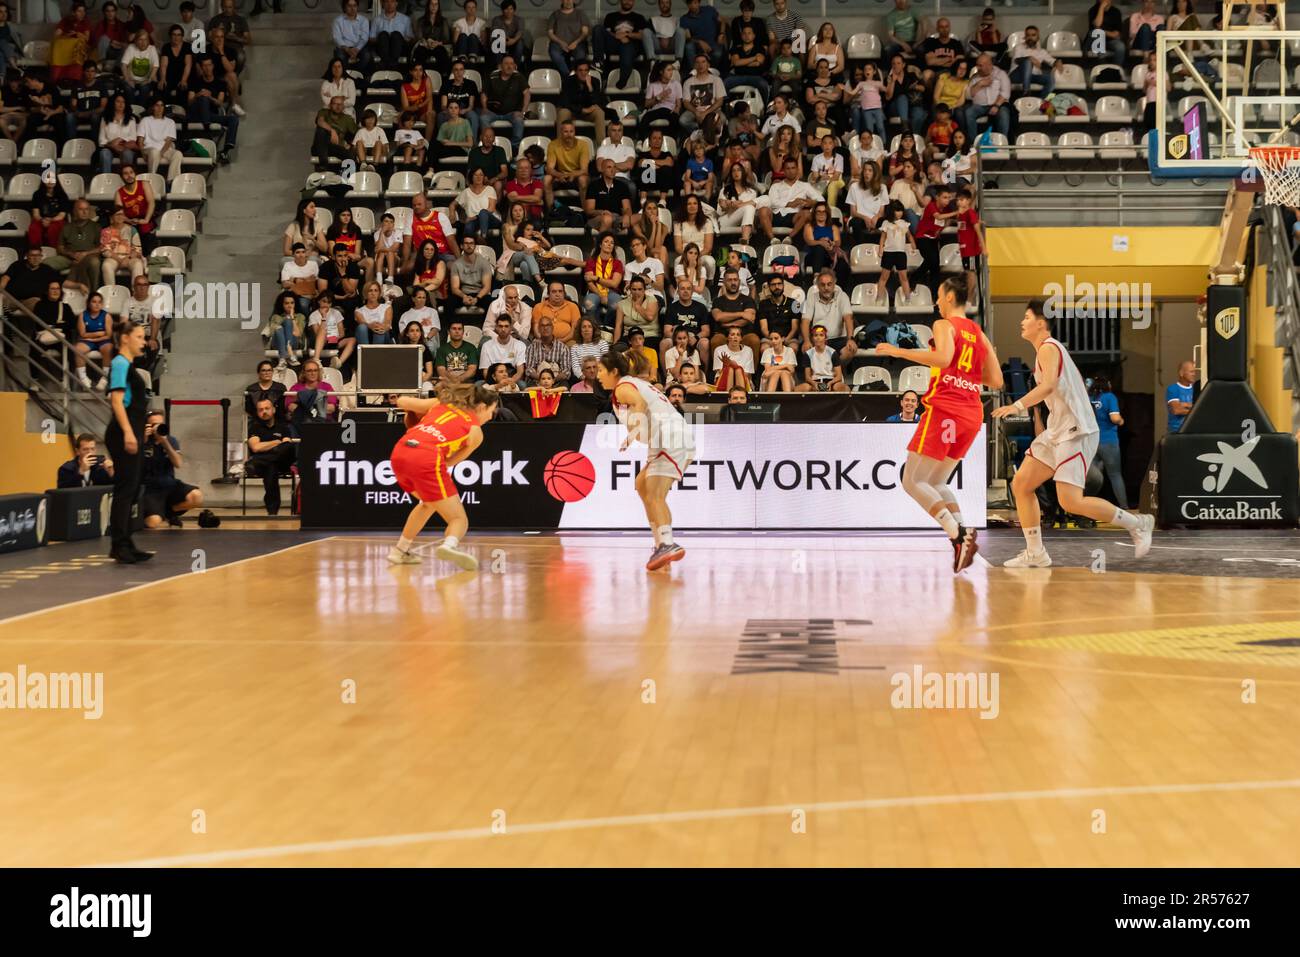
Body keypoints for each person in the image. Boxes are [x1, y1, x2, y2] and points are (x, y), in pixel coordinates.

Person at [991, 299, 1154, 567]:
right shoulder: (1043, 352)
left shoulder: (1049, 347)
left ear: (1041, 323)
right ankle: (1036, 553)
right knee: (1021, 484)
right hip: (1059, 429)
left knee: (1070, 502)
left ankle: (1138, 523)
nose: (1022, 321)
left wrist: (1016, 405)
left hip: (1076, 430)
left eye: (1027, 316)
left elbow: (1048, 386)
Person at [876, 275, 1003, 573]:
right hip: (972, 413)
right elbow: (996, 380)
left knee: (911, 480)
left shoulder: (944, 325)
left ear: (948, 297)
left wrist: (899, 351)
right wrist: (967, 376)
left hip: (946, 408)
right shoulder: (978, 332)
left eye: (937, 295)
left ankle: (956, 534)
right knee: (935, 482)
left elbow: (944, 358)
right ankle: (962, 533)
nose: (935, 301)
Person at [597, 349, 694, 570]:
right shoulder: (631, 383)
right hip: (667, 439)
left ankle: (667, 544)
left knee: (654, 493)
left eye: (602, 370)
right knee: (642, 485)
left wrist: (632, 431)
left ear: (614, 372)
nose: (598, 375)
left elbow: (639, 404)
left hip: (670, 438)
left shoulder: (623, 387)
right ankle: (661, 544)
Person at [386, 383, 499, 569]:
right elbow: (449, 463)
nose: (490, 417)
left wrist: (413, 414)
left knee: (428, 503)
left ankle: (400, 551)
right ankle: (449, 545)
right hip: (426, 458)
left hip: (400, 451)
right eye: (491, 411)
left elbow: (402, 401)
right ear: (481, 407)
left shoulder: (441, 404)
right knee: (458, 519)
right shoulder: (475, 432)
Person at [104, 322, 152, 563]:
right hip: (122, 433)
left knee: (131, 489)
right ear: (124, 338)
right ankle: (119, 545)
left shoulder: (129, 365)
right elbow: (116, 401)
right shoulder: (120, 363)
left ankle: (125, 542)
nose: (143, 342)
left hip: (131, 430)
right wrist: (128, 433)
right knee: (125, 490)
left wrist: (138, 429)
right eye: (139, 337)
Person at [140, 409, 203, 528]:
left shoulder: (170, 440)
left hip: (169, 484)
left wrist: (164, 442)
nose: (156, 428)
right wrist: (143, 441)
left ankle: (169, 513)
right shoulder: (140, 441)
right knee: (152, 523)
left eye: (159, 424)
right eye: (153, 425)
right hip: (149, 489)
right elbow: (133, 463)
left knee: (197, 497)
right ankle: (158, 513)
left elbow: (178, 463)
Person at [245, 397, 298, 515]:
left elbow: (286, 445)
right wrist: (276, 443)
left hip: (283, 462)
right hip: (270, 465)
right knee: (271, 468)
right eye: (260, 410)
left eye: (267, 408)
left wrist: (267, 447)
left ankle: (255, 462)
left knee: (288, 447)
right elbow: (255, 447)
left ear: (273, 410)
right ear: (257, 412)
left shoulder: (283, 427)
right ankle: (272, 511)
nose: (264, 412)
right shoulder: (254, 427)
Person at [1088, 376, 1128, 508]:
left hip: (1092, 442)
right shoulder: (1110, 397)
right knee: (1115, 475)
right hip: (1108, 441)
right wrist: (1122, 421)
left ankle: (1086, 507)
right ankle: (1124, 507)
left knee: (1093, 478)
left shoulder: (1090, 398)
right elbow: (1115, 418)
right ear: (1107, 385)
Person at [1166, 359, 1196, 432]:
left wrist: (1183, 404)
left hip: (1193, 431)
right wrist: (1195, 408)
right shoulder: (1173, 388)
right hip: (1177, 431)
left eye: (1194, 372)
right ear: (1181, 373)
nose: (1194, 374)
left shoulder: (1197, 389)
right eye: (1191, 371)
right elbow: (1177, 410)